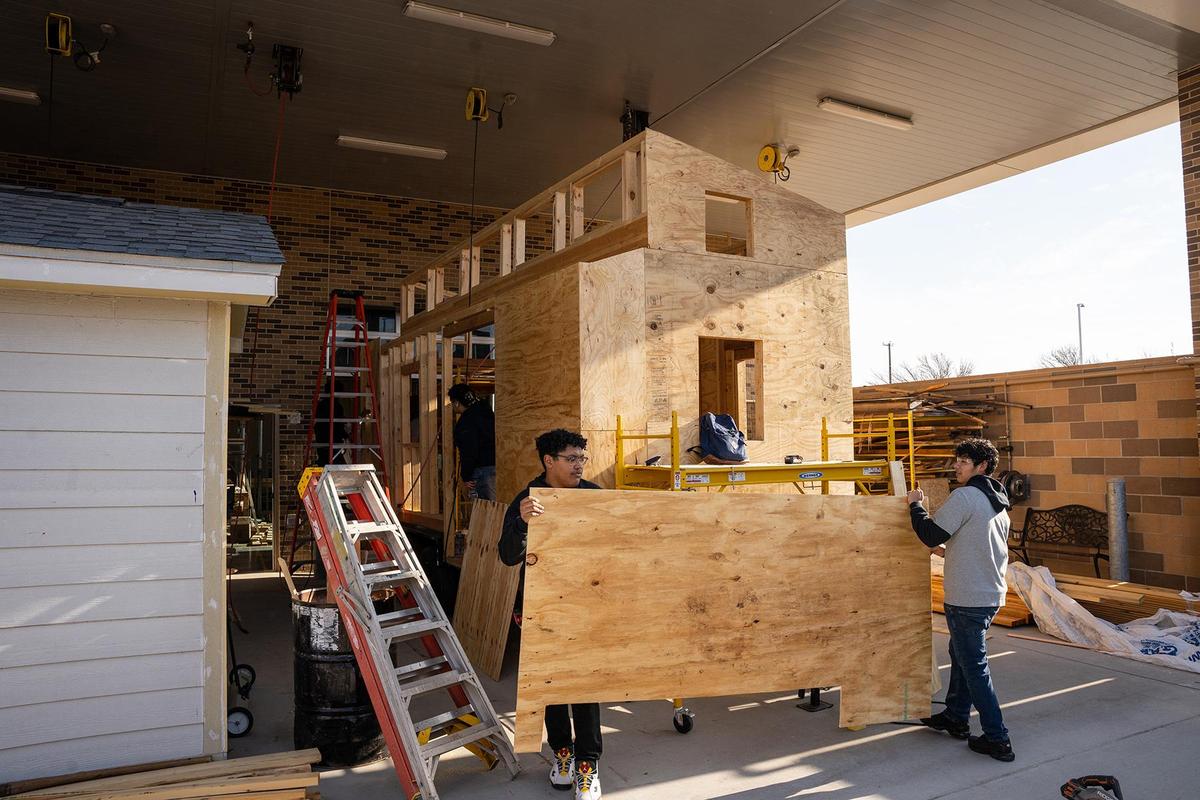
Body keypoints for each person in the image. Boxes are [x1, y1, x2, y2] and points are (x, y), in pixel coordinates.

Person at [499, 429, 603, 800]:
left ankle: (588, 767)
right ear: (549, 461)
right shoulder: (527, 500)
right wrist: (521, 524)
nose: (579, 465)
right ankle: (562, 754)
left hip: (587, 606)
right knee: (552, 687)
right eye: (571, 458)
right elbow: (507, 555)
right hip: (542, 608)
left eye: (581, 458)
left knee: (585, 688)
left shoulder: (594, 496)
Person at [907, 437, 1015, 762]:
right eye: (957, 460)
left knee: (975, 666)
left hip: (967, 599)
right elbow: (972, 544)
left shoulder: (965, 496)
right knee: (962, 655)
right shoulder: (997, 502)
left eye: (964, 461)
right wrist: (945, 551)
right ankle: (955, 716)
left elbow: (930, 533)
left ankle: (998, 738)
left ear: (981, 466)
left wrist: (915, 505)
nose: (957, 466)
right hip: (989, 594)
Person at [447, 383, 496, 501]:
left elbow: (469, 450)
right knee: (496, 508)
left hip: (481, 471)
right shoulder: (487, 411)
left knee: (483, 510)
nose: (453, 407)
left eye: (452, 403)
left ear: (457, 402)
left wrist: (466, 476)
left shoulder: (466, 422)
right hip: (496, 466)